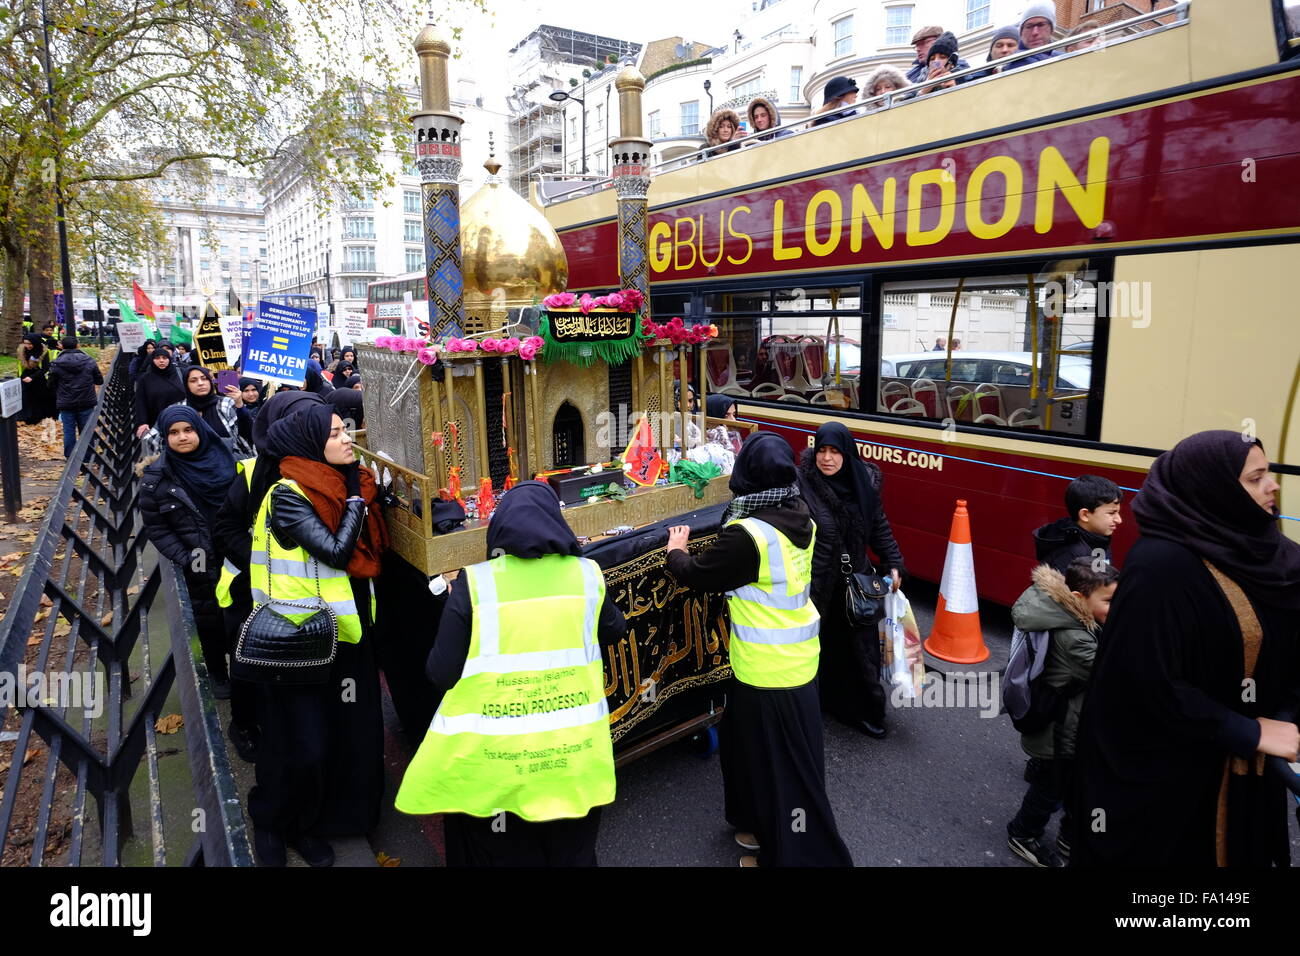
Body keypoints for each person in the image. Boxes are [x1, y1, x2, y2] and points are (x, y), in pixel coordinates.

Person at [1071, 431, 1300, 866]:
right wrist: (1248, 731)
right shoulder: (1161, 565)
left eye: (1268, 474)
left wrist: (1285, 714)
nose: (1272, 487)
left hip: (1249, 774)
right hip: (1176, 786)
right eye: (1255, 479)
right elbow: (1143, 681)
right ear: (1213, 489)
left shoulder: (1271, 553)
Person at [396, 482, 625, 866]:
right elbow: (615, 629)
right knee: (571, 852)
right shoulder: (587, 577)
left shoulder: (477, 584)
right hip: (573, 758)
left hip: (497, 767)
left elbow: (440, 673)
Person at [665, 432, 853, 867]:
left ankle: (799, 857)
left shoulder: (749, 534)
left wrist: (675, 551)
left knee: (785, 775)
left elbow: (699, 573)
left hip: (770, 672)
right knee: (748, 751)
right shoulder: (798, 509)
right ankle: (754, 829)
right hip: (793, 662)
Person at [243, 403, 389, 867]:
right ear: (309, 443)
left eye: (346, 430)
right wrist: (353, 501)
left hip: (346, 634)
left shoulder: (348, 479)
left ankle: (324, 821)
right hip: (299, 640)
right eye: (335, 434)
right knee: (300, 743)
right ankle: (274, 823)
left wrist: (358, 492)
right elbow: (336, 550)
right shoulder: (289, 493)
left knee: (348, 732)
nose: (348, 439)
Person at [213, 390, 328, 763]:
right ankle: (244, 725)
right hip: (250, 591)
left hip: (304, 594)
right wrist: (262, 560)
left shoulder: (325, 467)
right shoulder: (251, 473)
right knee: (252, 663)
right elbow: (225, 528)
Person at [1006, 558, 1118, 868]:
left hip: (1073, 726)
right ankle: (1023, 833)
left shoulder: (1077, 617)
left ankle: (1071, 833)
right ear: (1080, 599)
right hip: (1061, 732)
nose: (1116, 607)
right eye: (1109, 601)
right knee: (1049, 791)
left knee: (1074, 784)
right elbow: (1111, 673)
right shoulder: (1075, 638)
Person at [797, 422, 903, 739]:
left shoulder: (864, 484)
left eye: (835, 451)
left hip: (855, 583)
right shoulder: (803, 484)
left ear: (847, 453)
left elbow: (879, 526)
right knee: (821, 647)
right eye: (822, 451)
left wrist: (893, 563)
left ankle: (867, 712)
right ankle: (821, 703)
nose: (827, 458)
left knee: (860, 653)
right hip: (818, 584)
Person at [139, 406, 238, 698]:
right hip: (198, 562)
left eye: (188, 430)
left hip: (234, 555)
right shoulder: (156, 478)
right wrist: (186, 557)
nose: (182, 437)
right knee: (208, 622)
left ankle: (245, 672)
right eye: (173, 433)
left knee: (238, 615)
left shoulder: (229, 463)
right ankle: (218, 673)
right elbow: (156, 528)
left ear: (200, 430)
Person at [1033, 475, 1122, 574]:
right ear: (1085, 515)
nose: (1119, 520)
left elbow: (1101, 581)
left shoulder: (1098, 538)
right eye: (1111, 513)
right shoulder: (1070, 556)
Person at [46, 335, 104, 458]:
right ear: (77, 345)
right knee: (87, 431)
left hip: (66, 402)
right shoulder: (89, 361)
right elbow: (99, 380)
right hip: (86, 400)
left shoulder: (56, 364)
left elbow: (50, 384)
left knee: (68, 431)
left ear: (62, 346)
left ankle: (70, 457)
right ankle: (88, 456)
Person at [181, 365, 253, 458]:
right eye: (193, 380)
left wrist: (239, 404)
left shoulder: (225, 404)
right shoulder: (180, 409)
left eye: (204, 379)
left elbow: (247, 432)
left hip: (228, 462)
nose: (200, 383)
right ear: (186, 385)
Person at [134, 347, 187, 440]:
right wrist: (142, 423)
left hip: (184, 420)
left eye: (164, 358)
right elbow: (141, 402)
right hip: (158, 424)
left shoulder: (181, 373)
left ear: (169, 359)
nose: (161, 361)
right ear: (152, 360)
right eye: (157, 358)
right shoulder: (145, 379)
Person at [18, 330, 58, 440]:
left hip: (38, 377)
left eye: (30, 344)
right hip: (25, 376)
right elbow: (20, 366)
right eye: (25, 343)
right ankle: (28, 416)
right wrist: (22, 377)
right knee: (27, 397)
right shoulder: (22, 351)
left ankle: (40, 416)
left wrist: (32, 377)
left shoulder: (44, 352)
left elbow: (45, 368)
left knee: (40, 397)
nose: (27, 346)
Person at [1005, 3, 1061, 71]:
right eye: (1029, 27)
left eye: (1041, 25)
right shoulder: (1016, 62)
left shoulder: (1065, 58)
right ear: (1021, 32)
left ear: (1051, 29)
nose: (1035, 32)